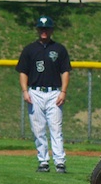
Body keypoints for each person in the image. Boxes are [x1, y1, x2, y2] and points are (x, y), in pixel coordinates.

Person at [16, 15, 71, 173]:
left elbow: (65, 71)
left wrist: (63, 91)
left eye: (46, 28)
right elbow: (23, 72)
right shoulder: (30, 49)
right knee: (38, 129)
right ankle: (43, 161)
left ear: (52, 30)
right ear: (37, 29)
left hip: (54, 92)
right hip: (35, 92)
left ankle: (60, 162)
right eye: (41, 28)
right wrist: (25, 91)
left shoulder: (59, 49)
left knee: (56, 129)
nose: (44, 31)